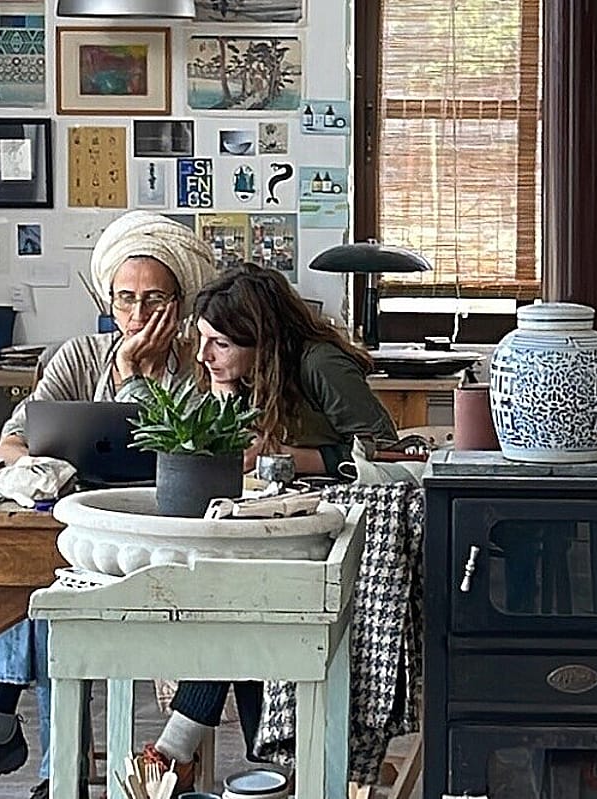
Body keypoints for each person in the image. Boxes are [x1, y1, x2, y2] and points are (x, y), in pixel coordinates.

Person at [0, 211, 217, 799]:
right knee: (44, 579)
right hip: (77, 529)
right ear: (109, 301)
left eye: (155, 299)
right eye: (126, 299)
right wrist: (38, 467)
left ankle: (7, 731)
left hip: (158, 539)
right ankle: (53, 772)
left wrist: (132, 375)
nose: (139, 314)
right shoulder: (77, 356)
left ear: (179, 305)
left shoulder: (201, 369)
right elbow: (11, 443)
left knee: (49, 583)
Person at [140, 264, 398, 789]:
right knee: (234, 603)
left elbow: (385, 448)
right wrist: (222, 401)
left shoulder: (318, 363)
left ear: (261, 338)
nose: (204, 355)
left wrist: (287, 456)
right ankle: (272, 766)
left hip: (336, 530)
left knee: (238, 605)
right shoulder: (237, 377)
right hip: (272, 526)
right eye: (202, 340)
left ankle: (184, 752)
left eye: (220, 344)